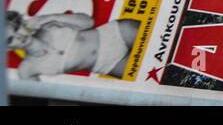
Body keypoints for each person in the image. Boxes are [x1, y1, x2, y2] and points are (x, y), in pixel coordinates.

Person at [6, 10, 141, 79]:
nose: (19, 36)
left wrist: (51, 17)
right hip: (109, 65)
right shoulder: (27, 69)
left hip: (116, 34)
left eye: (16, 29)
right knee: (150, 76)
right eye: (10, 39)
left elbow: (89, 22)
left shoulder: (46, 24)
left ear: (20, 22)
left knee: (157, 38)